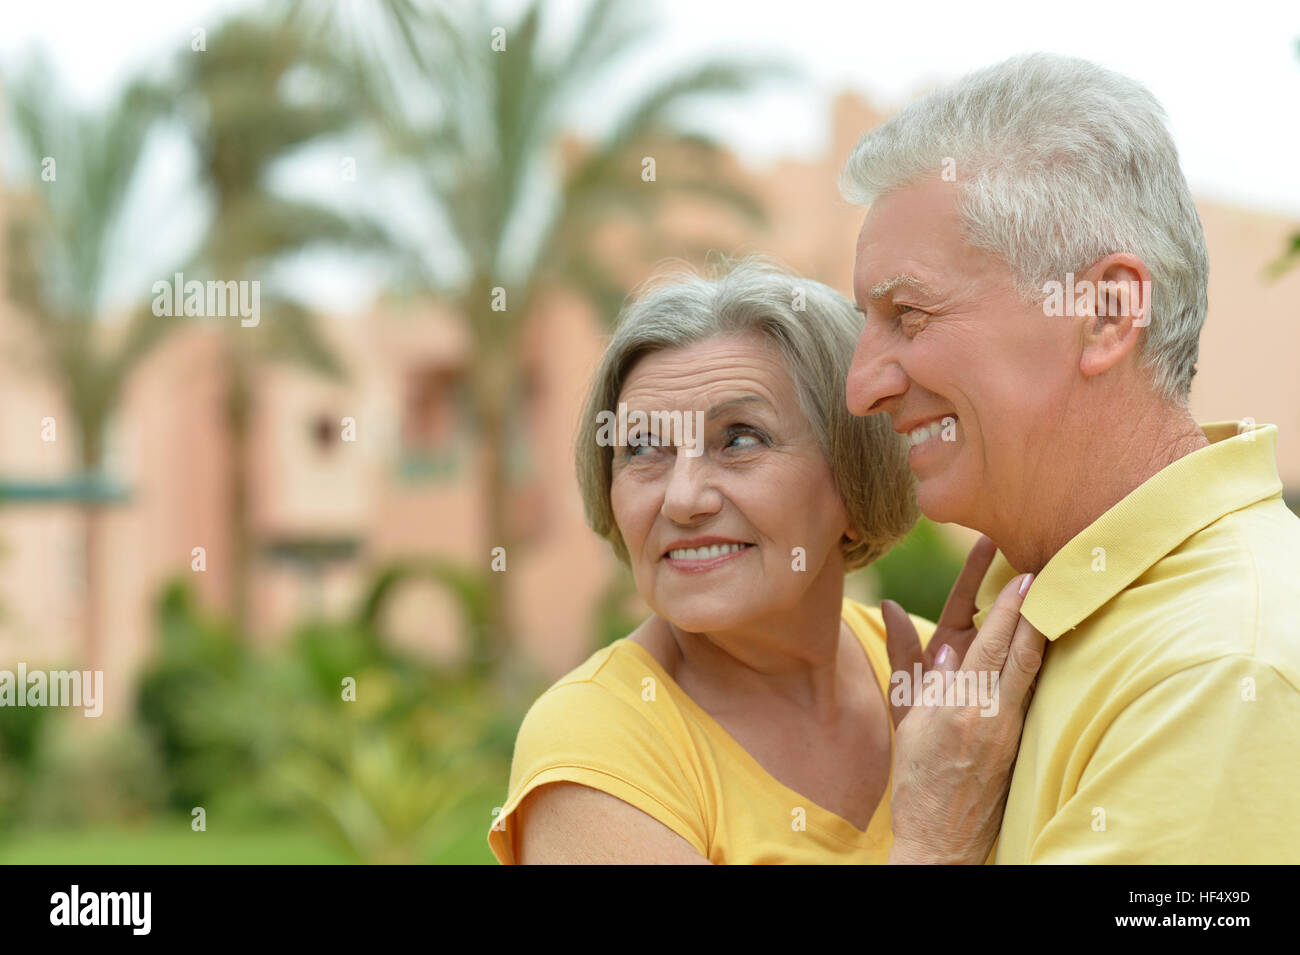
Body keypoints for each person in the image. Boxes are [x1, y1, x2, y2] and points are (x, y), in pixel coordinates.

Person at [841, 53, 1300, 863]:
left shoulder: (1216, 673)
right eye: (864, 323)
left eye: (907, 315)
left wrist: (932, 841)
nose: (861, 387)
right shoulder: (1038, 626)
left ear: (1106, 313)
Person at [487, 258, 1043, 864]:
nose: (682, 499)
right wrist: (936, 839)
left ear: (853, 483)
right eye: (642, 448)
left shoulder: (952, 692)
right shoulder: (594, 744)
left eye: (740, 438)